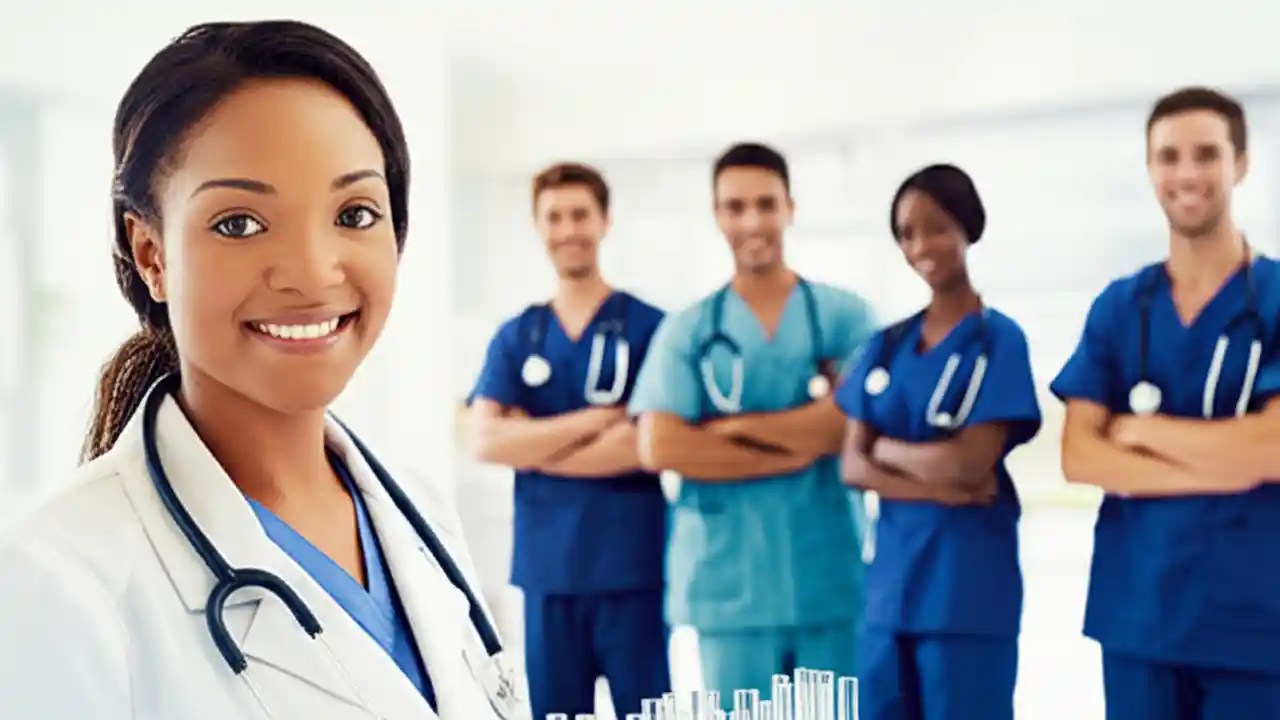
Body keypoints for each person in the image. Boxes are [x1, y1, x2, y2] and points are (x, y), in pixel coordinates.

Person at [0, 21, 526, 720]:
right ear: (151, 253)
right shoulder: (62, 580)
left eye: (355, 212)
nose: (311, 274)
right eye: (240, 223)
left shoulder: (420, 514)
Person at [1051, 86, 1280, 719]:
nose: (1187, 174)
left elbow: (1276, 448)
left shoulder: (1277, 297)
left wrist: (1142, 431)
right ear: (1150, 169)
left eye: (1206, 154)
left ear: (1242, 163)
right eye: (1169, 156)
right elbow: (1079, 455)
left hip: (1254, 627)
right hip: (1138, 621)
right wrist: (1231, 463)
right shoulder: (1121, 307)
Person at [628, 142, 877, 697]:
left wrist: (732, 427)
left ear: (791, 207)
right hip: (730, 588)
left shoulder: (844, 316)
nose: (752, 220)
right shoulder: (689, 329)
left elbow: (855, 426)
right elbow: (662, 447)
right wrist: (803, 439)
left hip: (827, 580)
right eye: (735, 206)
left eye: (766, 204)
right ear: (717, 215)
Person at [834, 164, 1041, 720]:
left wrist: (889, 451)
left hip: (967, 594)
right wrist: (938, 483)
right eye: (907, 233)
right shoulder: (884, 346)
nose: (922, 245)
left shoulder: (998, 340)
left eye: (937, 227)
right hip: (889, 597)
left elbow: (970, 465)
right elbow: (850, 466)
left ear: (969, 228)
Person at [467, 163, 670, 719]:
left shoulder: (650, 327)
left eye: (580, 214)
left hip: (633, 570)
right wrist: (598, 419)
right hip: (549, 576)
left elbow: (647, 446)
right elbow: (484, 441)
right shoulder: (518, 335)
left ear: (605, 221)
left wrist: (531, 443)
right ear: (538, 227)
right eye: (554, 217)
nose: (568, 229)